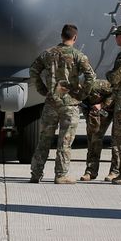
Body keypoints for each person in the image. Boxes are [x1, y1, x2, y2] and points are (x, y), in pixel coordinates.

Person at [28, 24, 95, 184]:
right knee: (65, 142)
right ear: (75, 37)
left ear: (61, 36)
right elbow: (91, 77)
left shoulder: (48, 54)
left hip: (51, 102)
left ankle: (36, 173)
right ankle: (60, 175)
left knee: (44, 140)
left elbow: (33, 70)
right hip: (69, 104)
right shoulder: (78, 56)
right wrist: (82, 94)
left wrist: (43, 89)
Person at [88, 23, 121, 184]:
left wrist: (108, 74)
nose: (115, 38)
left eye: (117, 35)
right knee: (120, 139)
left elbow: (113, 78)